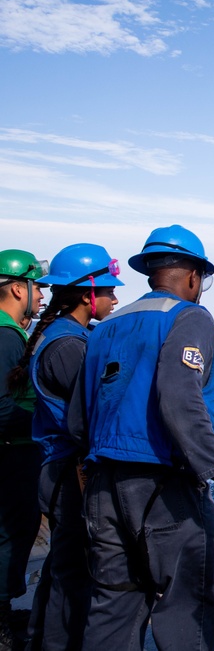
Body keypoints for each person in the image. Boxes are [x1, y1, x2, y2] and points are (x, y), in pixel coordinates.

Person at [68, 225, 214, 650]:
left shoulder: (104, 327)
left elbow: (79, 420)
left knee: (113, 605)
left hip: (103, 486)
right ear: (194, 276)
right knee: (192, 604)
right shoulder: (190, 316)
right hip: (163, 489)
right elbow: (179, 395)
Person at [4, 244, 122, 651]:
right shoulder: (69, 347)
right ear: (88, 293)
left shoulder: (64, 335)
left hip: (54, 468)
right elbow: (91, 414)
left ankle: (40, 637)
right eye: (108, 290)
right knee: (74, 572)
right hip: (66, 472)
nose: (114, 297)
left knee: (61, 567)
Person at [0, 250, 48, 650]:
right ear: (19, 287)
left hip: (15, 451)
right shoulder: (4, 337)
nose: (43, 294)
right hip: (12, 454)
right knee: (10, 536)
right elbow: (3, 408)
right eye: (39, 286)